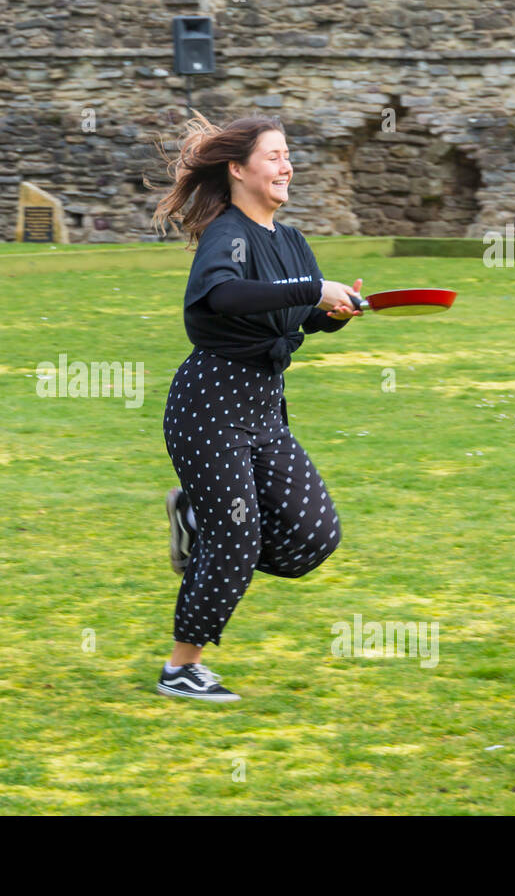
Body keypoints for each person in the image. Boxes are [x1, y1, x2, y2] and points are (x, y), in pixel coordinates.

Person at [150, 111, 362, 702]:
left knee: (314, 536)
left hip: (264, 409)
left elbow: (304, 314)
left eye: (288, 154)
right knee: (236, 539)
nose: (286, 165)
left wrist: (334, 313)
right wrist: (310, 292)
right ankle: (180, 669)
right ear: (238, 169)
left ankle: (197, 519)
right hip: (209, 404)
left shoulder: (290, 242)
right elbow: (222, 295)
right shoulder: (227, 234)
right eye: (273, 156)